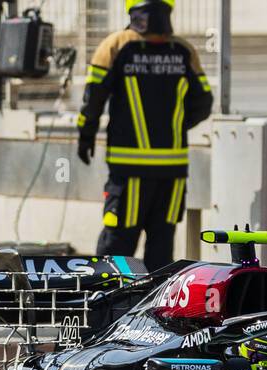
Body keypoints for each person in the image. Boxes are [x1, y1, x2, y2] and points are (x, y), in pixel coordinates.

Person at [77, 0, 213, 269]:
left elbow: (93, 97)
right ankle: (156, 311)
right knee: (161, 252)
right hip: (172, 173)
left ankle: (107, 309)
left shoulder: (115, 45)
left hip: (129, 173)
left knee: (116, 252)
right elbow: (205, 101)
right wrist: (173, 126)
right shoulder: (183, 50)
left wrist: (86, 133)